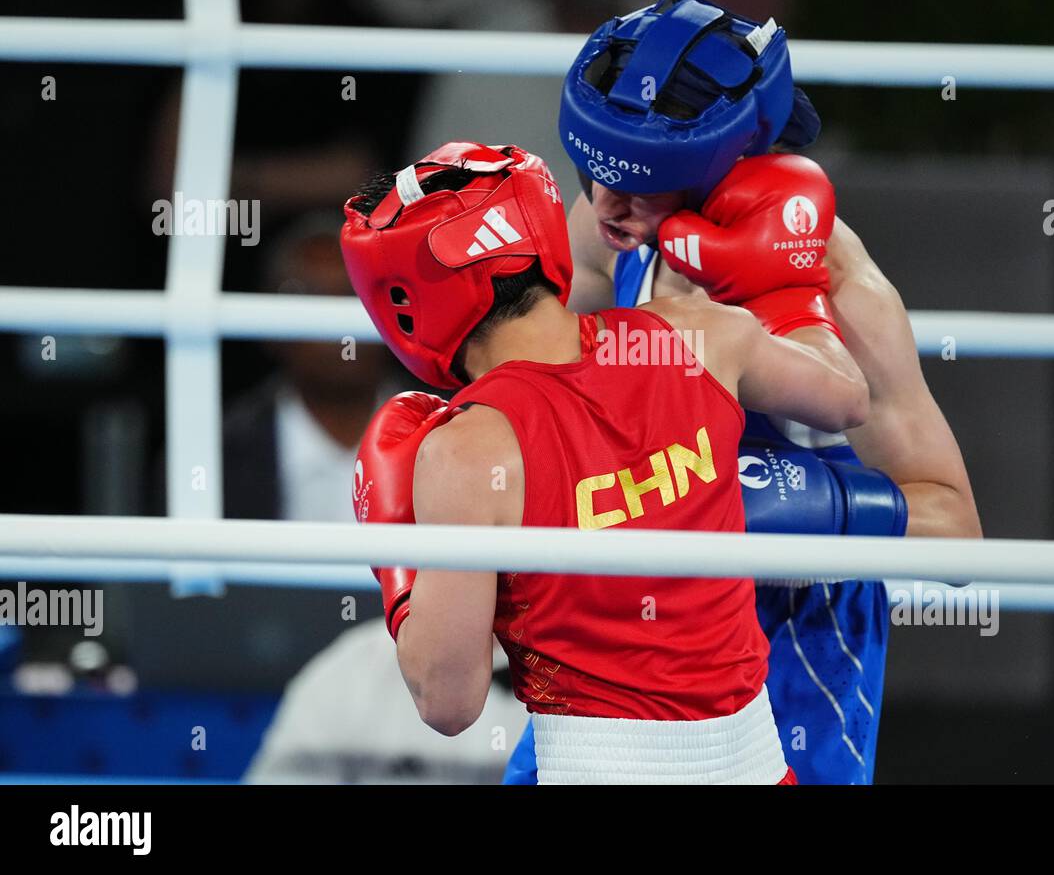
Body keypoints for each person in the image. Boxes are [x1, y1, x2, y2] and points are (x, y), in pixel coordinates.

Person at [504, 0, 982, 784]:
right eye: (596, 166)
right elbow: (524, 379)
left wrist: (784, 504)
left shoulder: (847, 295)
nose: (609, 202)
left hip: (792, 635)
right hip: (629, 619)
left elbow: (958, 529)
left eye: (648, 176)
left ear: (732, 162)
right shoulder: (609, 228)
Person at [341, 141, 870, 783]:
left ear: (400, 304)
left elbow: (448, 702)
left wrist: (398, 568)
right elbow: (847, 397)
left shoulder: (466, 453)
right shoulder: (696, 335)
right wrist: (786, 282)